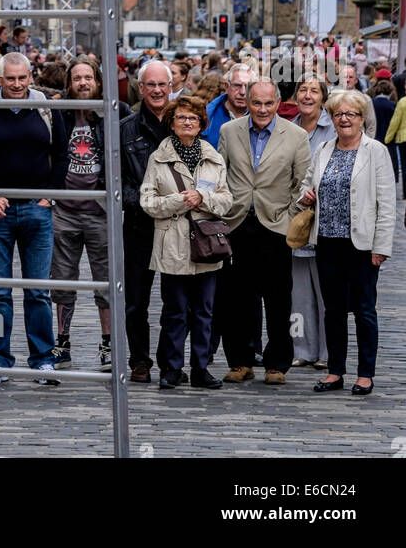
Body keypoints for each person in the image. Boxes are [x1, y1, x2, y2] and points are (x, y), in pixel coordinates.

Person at [0, 52, 67, 384]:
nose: (18, 84)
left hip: (38, 210)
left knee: (38, 290)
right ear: (0, 79)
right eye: (11, 79)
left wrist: (49, 195)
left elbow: (62, 154)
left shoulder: (47, 108)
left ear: (31, 76)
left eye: (23, 78)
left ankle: (41, 358)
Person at [300, 91, 396, 396]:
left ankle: (365, 373)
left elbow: (387, 203)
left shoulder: (375, 152)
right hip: (327, 240)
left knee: (365, 310)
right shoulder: (324, 149)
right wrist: (305, 195)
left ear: (362, 118)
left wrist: (381, 247)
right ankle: (335, 371)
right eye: (338, 114)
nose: (344, 119)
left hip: (362, 244)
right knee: (334, 310)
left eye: (351, 114)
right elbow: (306, 183)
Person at [217, 80, 312, 385]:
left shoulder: (296, 136)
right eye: (255, 103)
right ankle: (240, 362)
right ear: (247, 101)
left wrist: (290, 219)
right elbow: (220, 175)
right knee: (236, 299)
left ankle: (277, 364)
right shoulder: (229, 131)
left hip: (276, 226)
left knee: (278, 299)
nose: (261, 109)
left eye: (267, 104)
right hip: (237, 223)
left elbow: (303, 182)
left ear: (277, 103)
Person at [139, 95, 233, 389]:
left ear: (202, 123)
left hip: (206, 245)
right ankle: (172, 367)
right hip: (173, 245)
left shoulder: (213, 156)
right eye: (181, 117)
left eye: (193, 118)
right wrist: (180, 200)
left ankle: (201, 368)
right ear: (172, 122)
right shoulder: (159, 157)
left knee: (205, 311)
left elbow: (226, 199)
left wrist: (202, 198)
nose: (187, 122)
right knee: (174, 311)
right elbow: (148, 201)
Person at [51, 56, 128, 369]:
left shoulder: (114, 111)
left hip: (100, 209)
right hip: (64, 209)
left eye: (88, 78)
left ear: (98, 81)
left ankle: (107, 342)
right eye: (77, 78)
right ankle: (63, 341)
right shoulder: (61, 113)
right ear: (69, 83)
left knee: (105, 280)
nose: (83, 83)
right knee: (61, 278)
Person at [120, 59, 171, 381]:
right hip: (139, 224)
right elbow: (116, 182)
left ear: (171, 87)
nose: (156, 90)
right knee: (136, 301)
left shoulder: (183, 122)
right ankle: (139, 360)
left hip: (176, 227)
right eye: (150, 85)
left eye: (162, 84)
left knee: (175, 300)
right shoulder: (125, 128)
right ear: (140, 88)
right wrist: (146, 200)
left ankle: (170, 359)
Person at [290, 77, 334, 368]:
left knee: (326, 291)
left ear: (323, 98)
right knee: (298, 293)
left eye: (314, 91)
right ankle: (302, 350)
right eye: (302, 90)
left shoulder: (334, 127)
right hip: (294, 218)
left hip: (327, 220)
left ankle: (328, 352)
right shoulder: (288, 128)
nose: (307, 96)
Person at [202, 63, 252, 148]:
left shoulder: (260, 117)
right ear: (226, 86)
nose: (243, 92)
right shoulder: (209, 115)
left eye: (248, 87)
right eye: (237, 85)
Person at [384, 89, 406, 200]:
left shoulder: (402, 102)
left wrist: (388, 138)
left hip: (403, 138)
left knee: (405, 166)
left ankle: (405, 192)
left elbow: (395, 121)